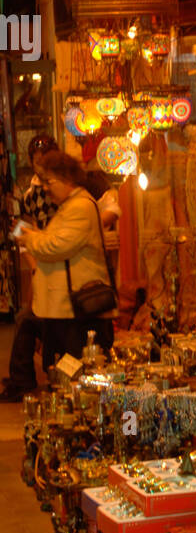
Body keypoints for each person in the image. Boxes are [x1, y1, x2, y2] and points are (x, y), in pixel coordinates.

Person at [19, 150, 115, 370]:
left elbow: (56, 246)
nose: (45, 188)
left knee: (77, 369)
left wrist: (29, 238)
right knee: (64, 368)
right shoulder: (70, 206)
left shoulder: (80, 207)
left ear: (66, 179)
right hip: (65, 307)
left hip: (77, 307)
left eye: (48, 181)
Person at [0, 133, 58, 401]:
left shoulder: (65, 190)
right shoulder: (31, 194)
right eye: (37, 162)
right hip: (45, 267)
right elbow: (23, 235)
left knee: (28, 319)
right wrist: (35, 267)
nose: (41, 166)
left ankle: (25, 378)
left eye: (46, 160)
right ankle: (22, 378)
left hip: (61, 272)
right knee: (26, 317)